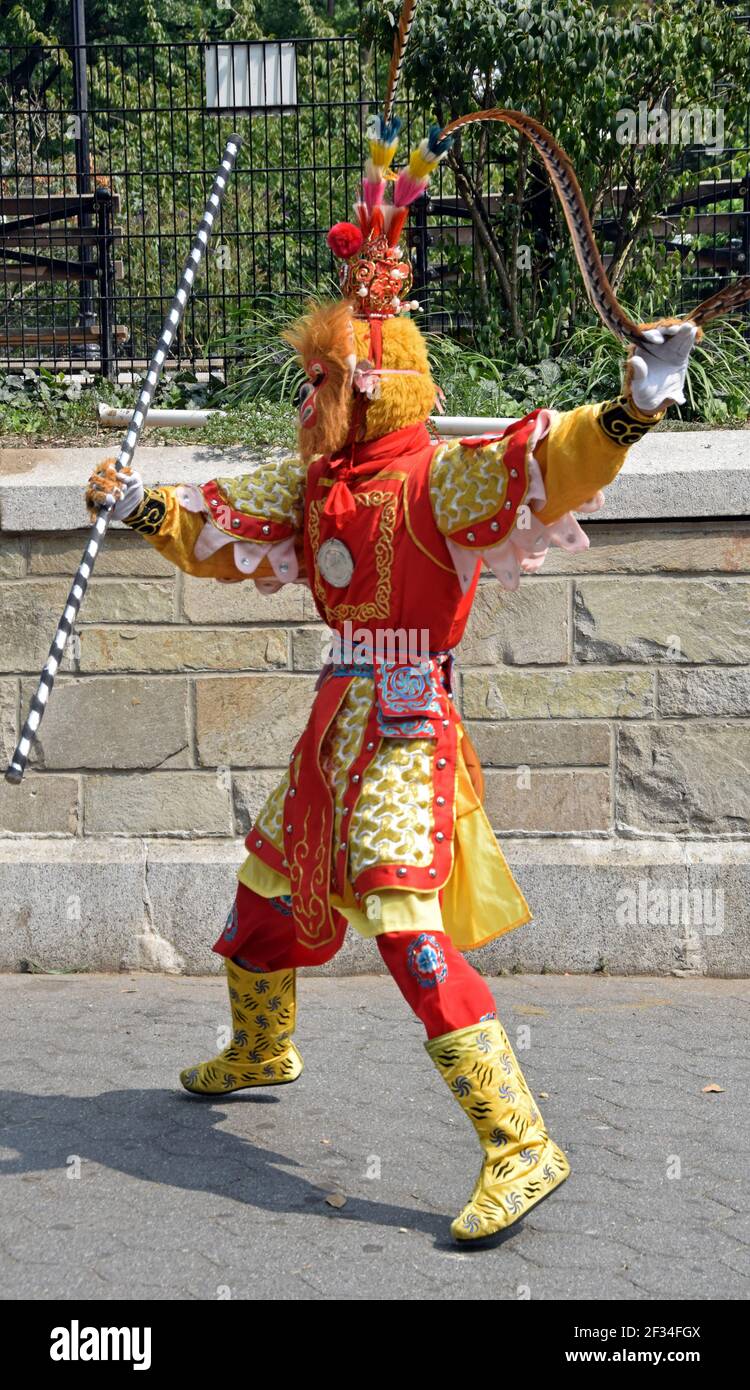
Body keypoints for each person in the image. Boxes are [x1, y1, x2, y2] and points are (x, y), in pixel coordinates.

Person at [86, 118, 697, 1243]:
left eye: (321, 380)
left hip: (408, 722)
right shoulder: (314, 483)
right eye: (307, 378)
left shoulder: (435, 484)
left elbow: (542, 465)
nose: (303, 397)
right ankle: (265, 1043)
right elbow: (222, 532)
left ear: (373, 388)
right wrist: (142, 508)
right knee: (267, 878)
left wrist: (631, 411)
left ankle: (522, 1141)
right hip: (337, 717)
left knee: (405, 916)